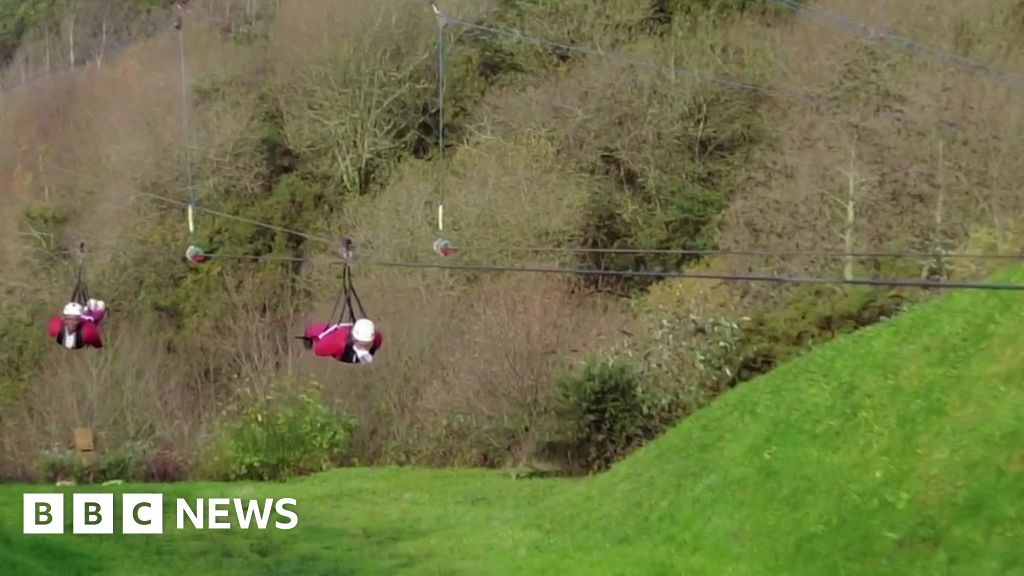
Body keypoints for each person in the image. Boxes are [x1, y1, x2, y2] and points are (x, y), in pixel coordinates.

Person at [301, 318, 382, 364]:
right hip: (337, 342)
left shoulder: (376, 339)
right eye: (361, 344)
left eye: (367, 345)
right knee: (318, 333)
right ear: (354, 339)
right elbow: (317, 349)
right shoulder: (337, 343)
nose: (364, 348)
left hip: (345, 337)